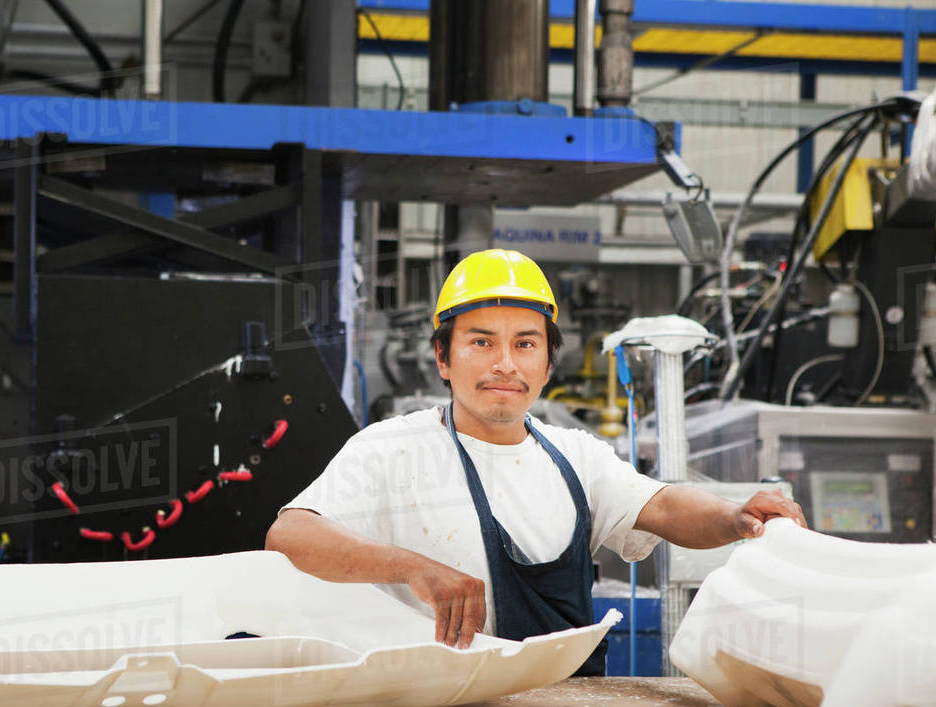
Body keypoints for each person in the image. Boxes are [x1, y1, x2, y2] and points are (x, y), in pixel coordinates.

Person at [265, 249, 805, 675]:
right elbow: (290, 536)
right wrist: (412, 567)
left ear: (548, 365)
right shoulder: (388, 449)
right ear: (442, 357)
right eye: (481, 341)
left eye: (525, 344)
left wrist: (737, 516)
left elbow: (662, 506)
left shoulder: (576, 456)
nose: (504, 364)